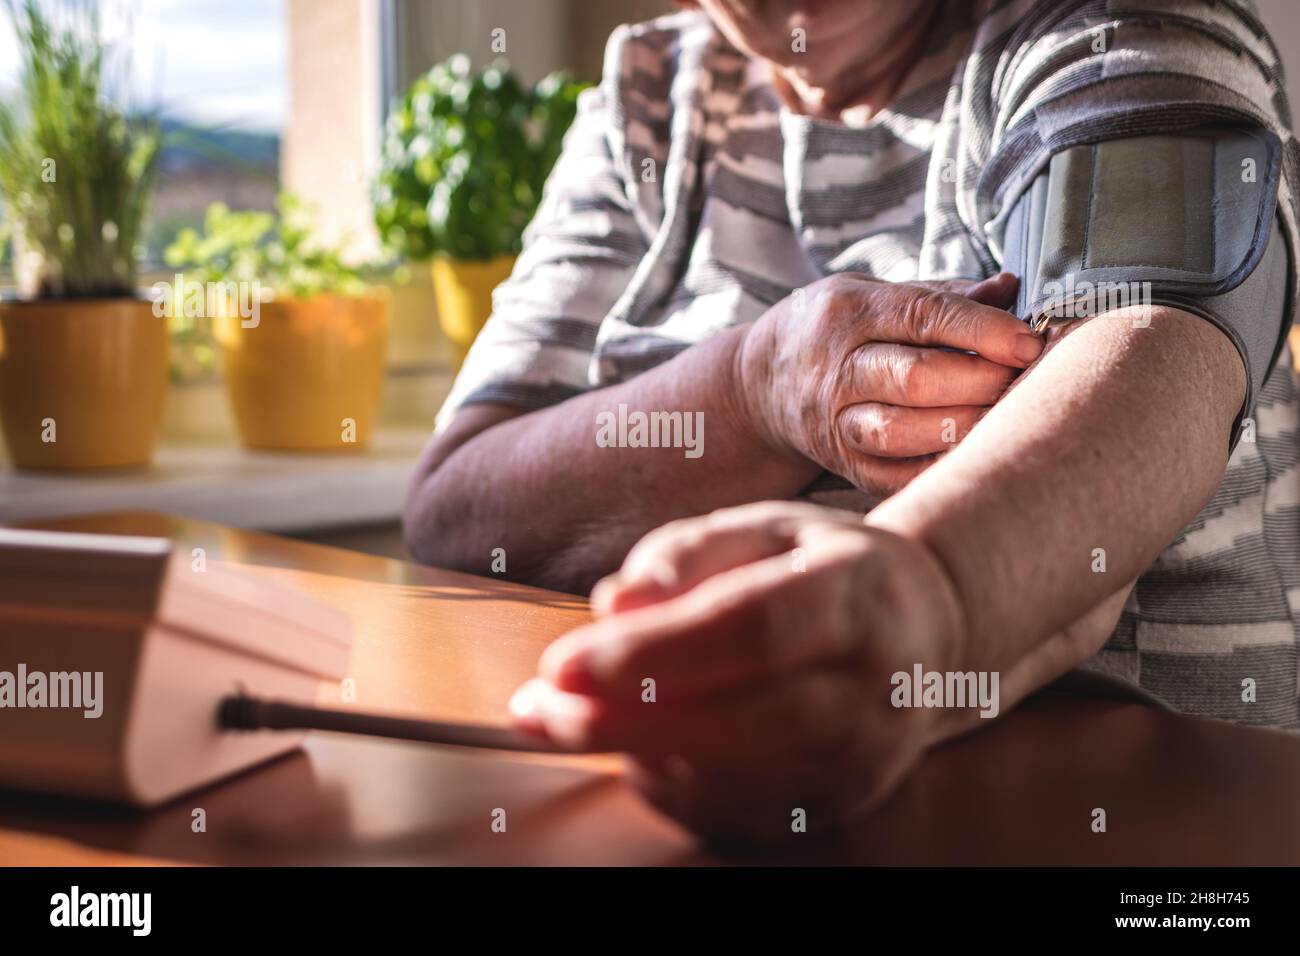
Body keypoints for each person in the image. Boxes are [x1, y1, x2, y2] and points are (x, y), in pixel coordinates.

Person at [404, 0, 1300, 841]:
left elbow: (1162, 342)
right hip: (674, 811)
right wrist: (755, 389)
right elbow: (458, 512)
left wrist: (932, 601)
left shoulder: (1112, 28)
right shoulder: (643, 95)